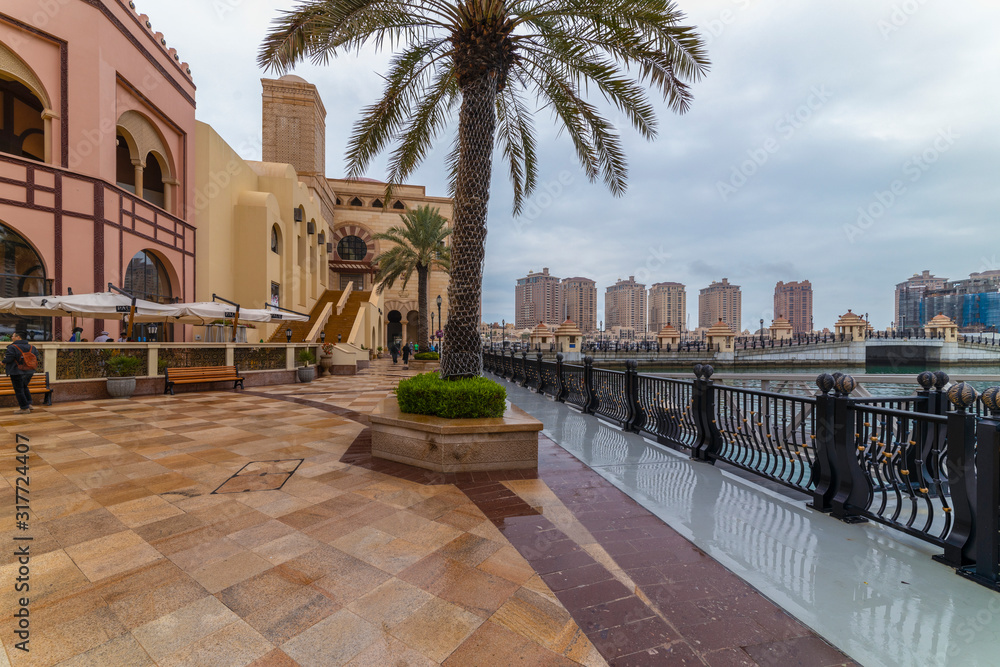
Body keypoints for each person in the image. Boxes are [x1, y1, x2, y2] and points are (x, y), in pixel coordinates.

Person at [3, 333, 37, 414]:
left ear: (18, 337)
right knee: (24, 387)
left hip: (16, 371)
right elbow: (37, 358)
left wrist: (3, 362)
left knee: (19, 390)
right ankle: (29, 404)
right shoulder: (32, 347)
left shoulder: (12, 347)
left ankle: (24, 408)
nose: (12, 337)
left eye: (13, 336)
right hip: (30, 371)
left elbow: (9, 359)